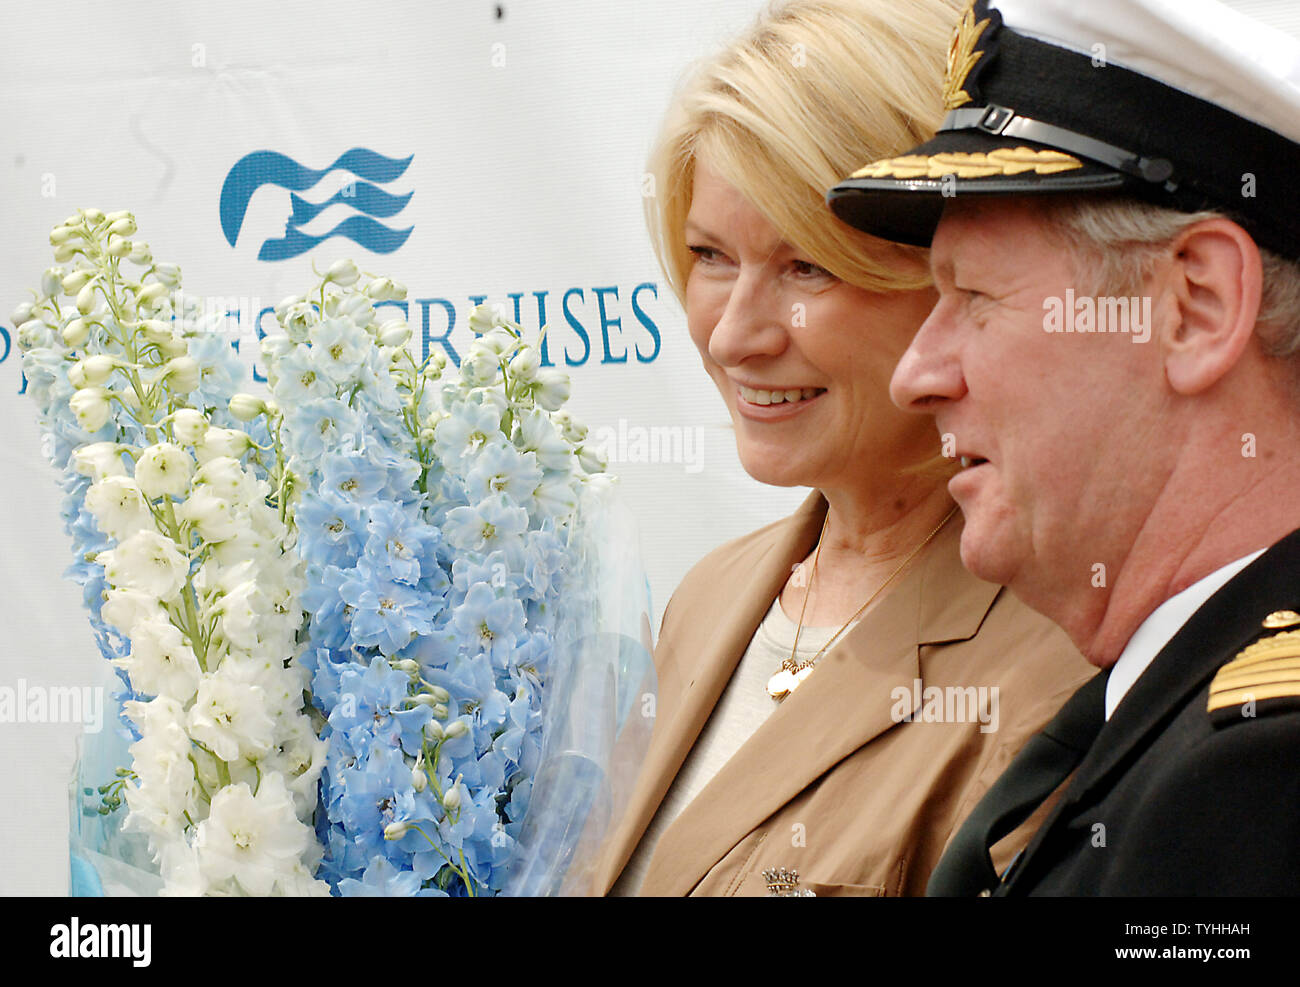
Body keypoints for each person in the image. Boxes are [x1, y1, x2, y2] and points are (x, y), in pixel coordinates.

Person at [592, 0, 1092, 897]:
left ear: (956, 277)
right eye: (710, 255)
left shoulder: (1062, 655)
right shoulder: (708, 597)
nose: (735, 335)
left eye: (806, 266)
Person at [827, 0, 1300, 894]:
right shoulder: (1173, 709)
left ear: (1196, 307)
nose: (915, 374)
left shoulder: (1256, 772)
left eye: (973, 295)